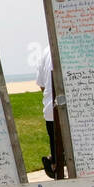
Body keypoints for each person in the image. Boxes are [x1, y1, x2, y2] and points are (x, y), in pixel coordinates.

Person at [34, 43, 57, 178]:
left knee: (55, 143)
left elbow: (41, 85)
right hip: (62, 110)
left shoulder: (46, 51)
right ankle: (54, 162)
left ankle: (53, 161)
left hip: (50, 109)